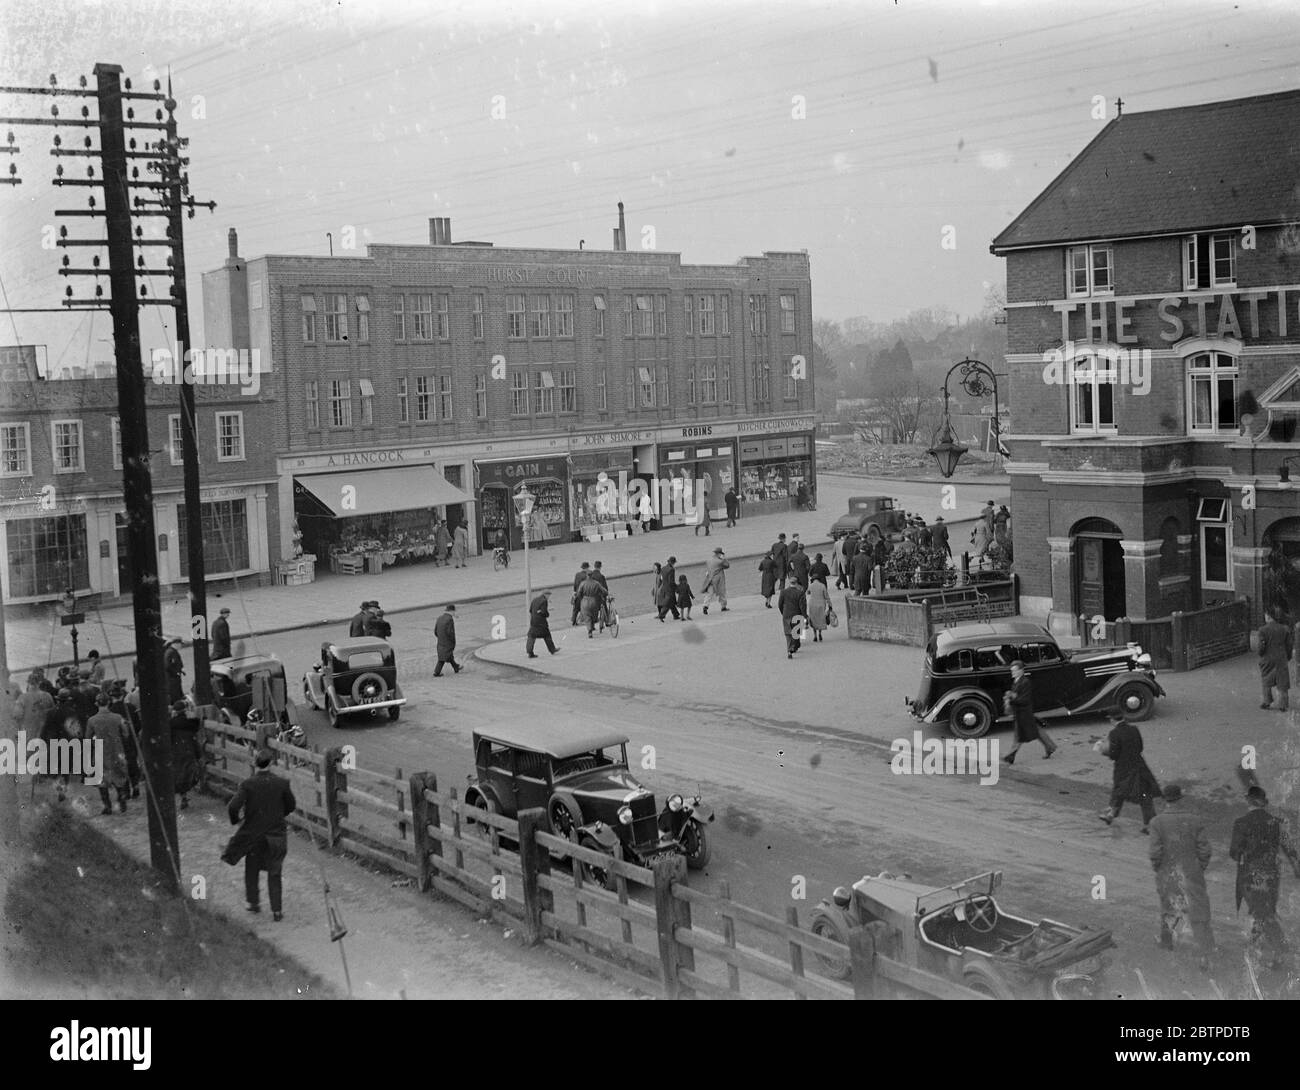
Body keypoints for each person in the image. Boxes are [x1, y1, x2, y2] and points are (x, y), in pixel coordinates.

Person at [1230, 785, 1300, 968]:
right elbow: (1289, 848)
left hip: (1252, 876)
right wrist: (1296, 867)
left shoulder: (1241, 822)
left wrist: (1246, 852)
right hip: (1273, 875)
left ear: (1248, 801)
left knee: (1262, 912)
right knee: (1266, 908)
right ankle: (1255, 940)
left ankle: (1280, 951)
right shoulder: (1276, 822)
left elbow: (1234, 852)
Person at [223, 747, 296, 920]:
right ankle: (277, 910)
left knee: (252, 867)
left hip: (254, 834)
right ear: (271, 763)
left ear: (256, 764)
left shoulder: (248, 785)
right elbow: (291, 805)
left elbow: (233, 806)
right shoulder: (282, 783)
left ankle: (253, 903)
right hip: (276, 834)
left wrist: (237, 821)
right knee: (275, 871)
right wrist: (277, 815)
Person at [1149, 783, 1215, 969]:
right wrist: (1197, 868)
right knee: (1199, 911)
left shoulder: (1157, 822)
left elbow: (1155, 853)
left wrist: (1160, 870)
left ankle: (1167, 942)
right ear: (1180, 798)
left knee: (1168, 907)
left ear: (1165, 800)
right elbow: (1205, 850)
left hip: (1168, 873)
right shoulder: (1195, 820)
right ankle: (1205, 954)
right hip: (1191, 872)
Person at [1097, 714, 1161, 831]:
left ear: (1112, 720)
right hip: (1139, 765)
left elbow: (1114, 754)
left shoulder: (1114, 733)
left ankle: (1111, 814)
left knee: (1119, 789)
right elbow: (1140, 747)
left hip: (1123, 767)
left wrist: (1103, 750)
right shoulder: (1134, 729)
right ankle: (1149, 824)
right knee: (1144, 794)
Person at [1001, 660, 1057, 763]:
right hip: (1020, 712)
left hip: (1023, 712)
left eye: (1014, 670)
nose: (1012, 672)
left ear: (1021, 671)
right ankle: (1050, 747)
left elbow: (1024, 699)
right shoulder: (1016, 681)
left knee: (1019, 735)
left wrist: (1011, 698)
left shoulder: (1025, 682)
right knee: (1037, 731)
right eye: (1011, 670)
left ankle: (1010, 756)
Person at [87, 692, 131, 815]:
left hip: (100, 751)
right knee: (119, 776)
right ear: (109, 702)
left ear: (97, 704)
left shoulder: (92, 720)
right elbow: (126, 734)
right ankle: (122, 799)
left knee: (102, 780)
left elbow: (87, 738)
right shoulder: (118, 718)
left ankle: (107, 806)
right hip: (116, 750)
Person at [41, 689, 80, 802]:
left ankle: (59, 789)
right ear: (68, 700)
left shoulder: (51, 712)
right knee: (66, 768)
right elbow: (74, 729)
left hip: (53, 742)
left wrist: (43, 739)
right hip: (67, 742)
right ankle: (64, 789)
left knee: (55, 768)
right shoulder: (71, 712)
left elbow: (45, 728)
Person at [167, 699, 203, 809]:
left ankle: (182, 795)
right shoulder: (191, 723)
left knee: (178, 774)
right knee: (188, 773)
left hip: (176, 752)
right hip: (189, 750)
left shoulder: (170, 724)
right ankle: (185, 795)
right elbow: (195, 736)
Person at [1258, 608, 1292, 711]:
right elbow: (1289, 645)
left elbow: (1261, 647)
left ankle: (1267, 702)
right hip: (1281, 658)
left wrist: (1261, 653)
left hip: (1268, 659)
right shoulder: (1284, 629)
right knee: (1282, 681)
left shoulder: (1262, 630)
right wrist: (1288, 656)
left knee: (1266, 680)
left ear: (1268, 616)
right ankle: (1283, 705)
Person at [779, 582, 808, 660]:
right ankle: (794, 646)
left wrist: (783, 612)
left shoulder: (783, 592)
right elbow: (802, 606)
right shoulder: (800, 593)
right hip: (797, 614)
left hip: (786, 614)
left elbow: (780, 604)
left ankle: (789, 650)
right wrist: (804, 615)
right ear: (796, 584)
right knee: (796, 633)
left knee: (788, 633)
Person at [526, 590, 559, 658]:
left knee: (531, 636)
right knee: (547, 635)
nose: (549, 597)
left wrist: (537, 612)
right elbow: (544, 612)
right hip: (541, 623)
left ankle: (529, 652)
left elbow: (530, 610)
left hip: (533, 621)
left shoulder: (535, 599)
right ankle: (552, 649)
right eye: (549, 595)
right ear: (546, 595)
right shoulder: (544, 601)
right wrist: (547, 614)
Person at [577, 571, 608, 637]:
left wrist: (581, 598)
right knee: (594, 615)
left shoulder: (583, 583)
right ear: (592, 575)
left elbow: (579, 593)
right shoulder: (596, 583)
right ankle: (592, 626)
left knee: (587, 616)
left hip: (585, 600)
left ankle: (589, 631)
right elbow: (604, 591)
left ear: (586, 576)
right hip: (594, 601)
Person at [433, 604, 461, 676]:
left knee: (447, 655)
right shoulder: (449, 619)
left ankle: (456, 667)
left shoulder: (440, 618)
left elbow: (435, 631)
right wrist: (453, 642)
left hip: (441, 641)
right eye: (454, 612)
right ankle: (437, 672)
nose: (455, 613)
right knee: (443, 657)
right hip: (447, 642)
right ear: (451, 611)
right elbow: (450, 632)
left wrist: (441, 637)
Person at [701, 547, 730, 615]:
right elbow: (727, 566)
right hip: (719, 579)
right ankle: (723, 606)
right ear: (719, 553)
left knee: (709, 594)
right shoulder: (720, 561)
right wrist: (724, 558)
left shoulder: (709, 560)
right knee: (722, 592)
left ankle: (705, 606)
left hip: (710, 579)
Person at [806, 578, 830, 642]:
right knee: (820, 619)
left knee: (814, 619)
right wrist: (830, 605)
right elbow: (826, 596)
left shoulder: (811, 585)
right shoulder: (822, 585)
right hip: (821, 604)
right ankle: (820, 633)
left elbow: (808, 592)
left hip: (812, 604)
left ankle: (815, 635)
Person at [657, 556, 680, 621]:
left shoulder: (663, 568)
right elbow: (671, 581)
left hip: (664, 587)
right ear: (673, 563)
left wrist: (660, 586)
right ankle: (661, 615)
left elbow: (661, 579)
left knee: (671, 601)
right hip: (670, 588)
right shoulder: (671, 570)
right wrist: (676, 587)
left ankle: (676, 615)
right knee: (668, 602)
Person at [164, 637, 186, 705]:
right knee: (174, 696)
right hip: (172, 680)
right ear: (176, 644)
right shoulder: (170, 652)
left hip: (174, 679)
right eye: (180, 644)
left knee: (177, 695)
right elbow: (167, 666)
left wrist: (181, 670)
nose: (181, 646)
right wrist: (176, 672)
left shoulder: (173, 652)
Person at [571, 562, 592, 626]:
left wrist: (574, 591)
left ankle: (574, 621)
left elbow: (575, 584)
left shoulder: (577, 574)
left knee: (576, 608)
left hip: (577, 593)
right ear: (587, 568)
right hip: (584, 594)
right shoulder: (587, 575)